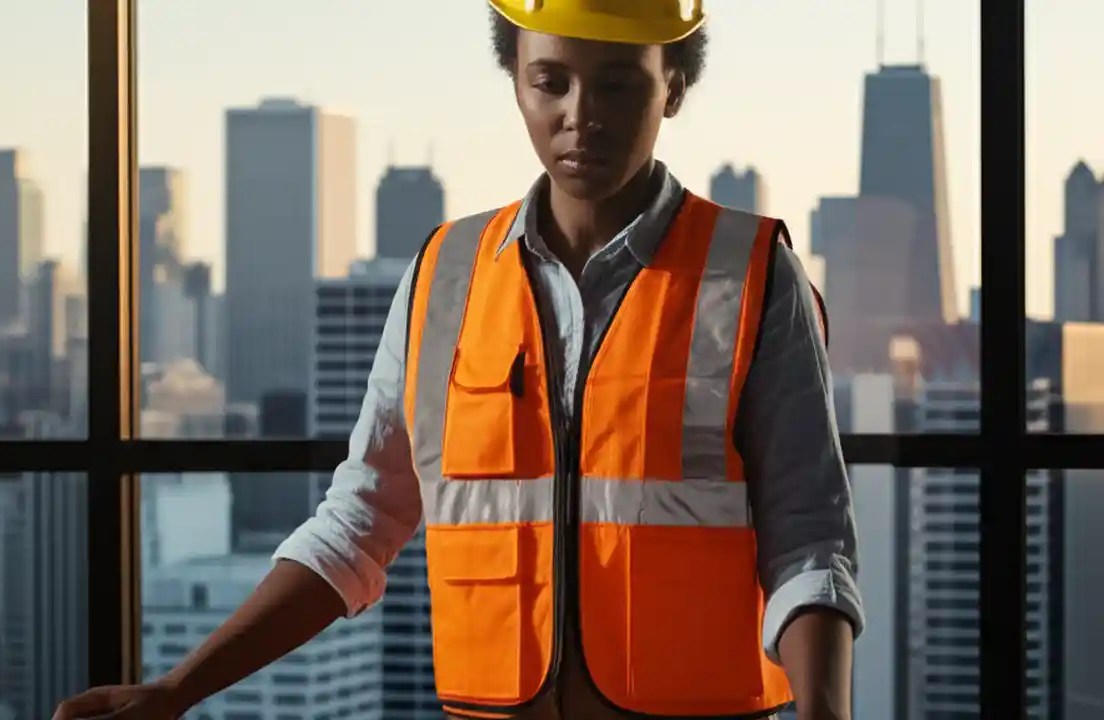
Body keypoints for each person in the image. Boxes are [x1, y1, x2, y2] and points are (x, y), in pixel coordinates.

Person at [54, 1, 863, 718]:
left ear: (673, 87)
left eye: (619, 84)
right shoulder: (444, 277)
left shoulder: (750, 275)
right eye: (551, 81)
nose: (581, 115)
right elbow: (359, 524)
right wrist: (178, 690)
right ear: (514, 77)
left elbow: (809, 544)